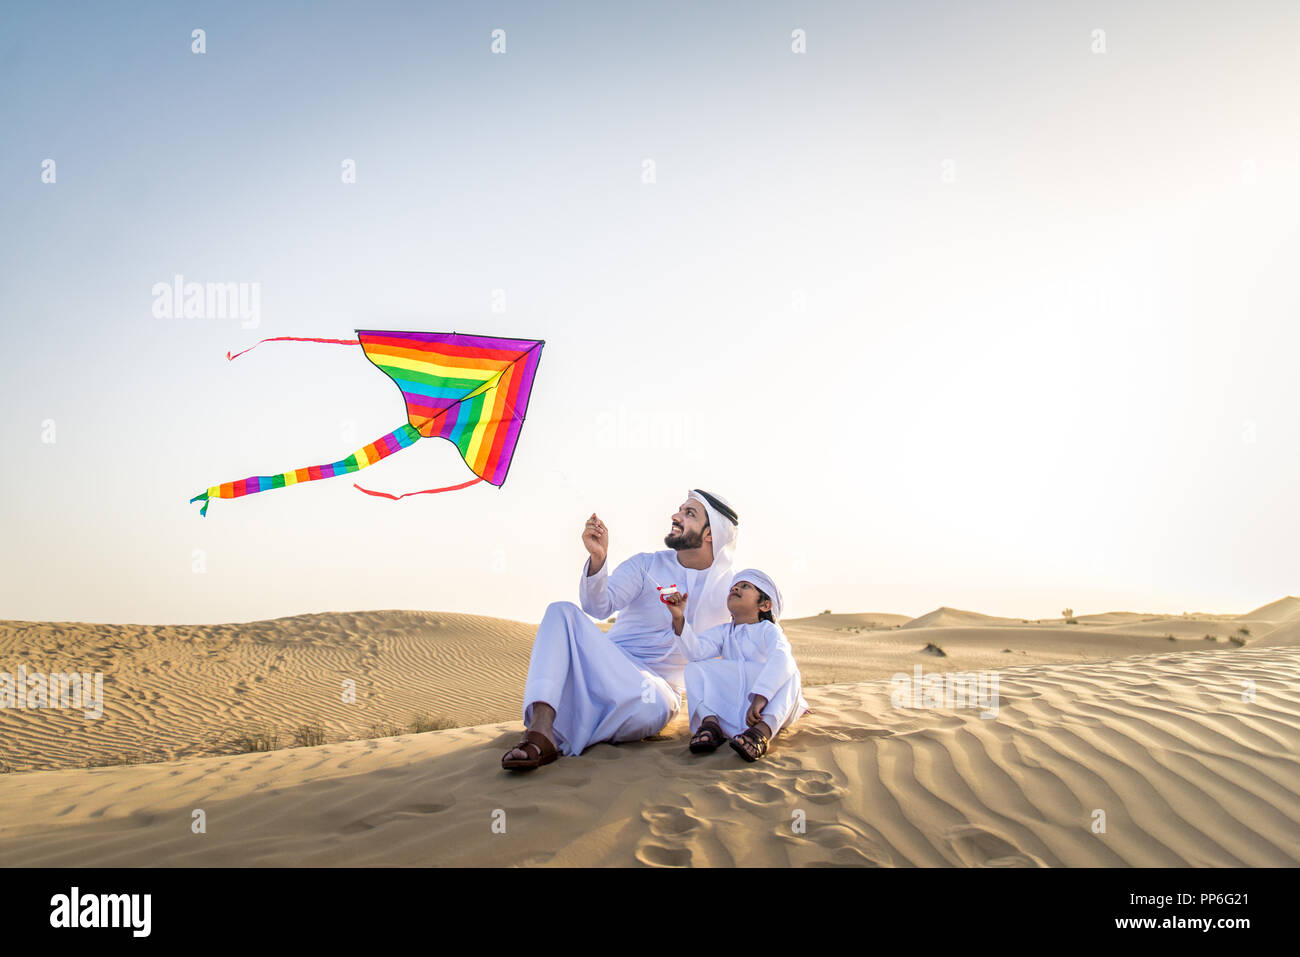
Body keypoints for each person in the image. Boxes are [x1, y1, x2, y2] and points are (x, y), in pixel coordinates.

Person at [501, 489, 739, 770]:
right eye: (680, 510)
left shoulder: (731, 592)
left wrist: (786, 702)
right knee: (560, 611)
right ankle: (541, 733)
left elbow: (756, 646)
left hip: (656, 689)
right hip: (608, 665)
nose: (675, 516)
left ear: (711, 534)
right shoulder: (645, 565)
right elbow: (598, 606)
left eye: (689, 514)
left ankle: (575, 728)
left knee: (650, 710)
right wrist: (599, 559)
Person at [662, 568, 807, 762]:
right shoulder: (724, 632)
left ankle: (760, 734)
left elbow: (781, 659)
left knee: (790, 670)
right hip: (735, 700)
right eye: (734, 586)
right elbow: (695, 652)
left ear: (764, 605)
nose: (736, 588)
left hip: (766, 706)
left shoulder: (769, 631)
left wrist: (761, 696)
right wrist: (679, 617)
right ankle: (711, 724)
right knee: (694, 667)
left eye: (745, 586)